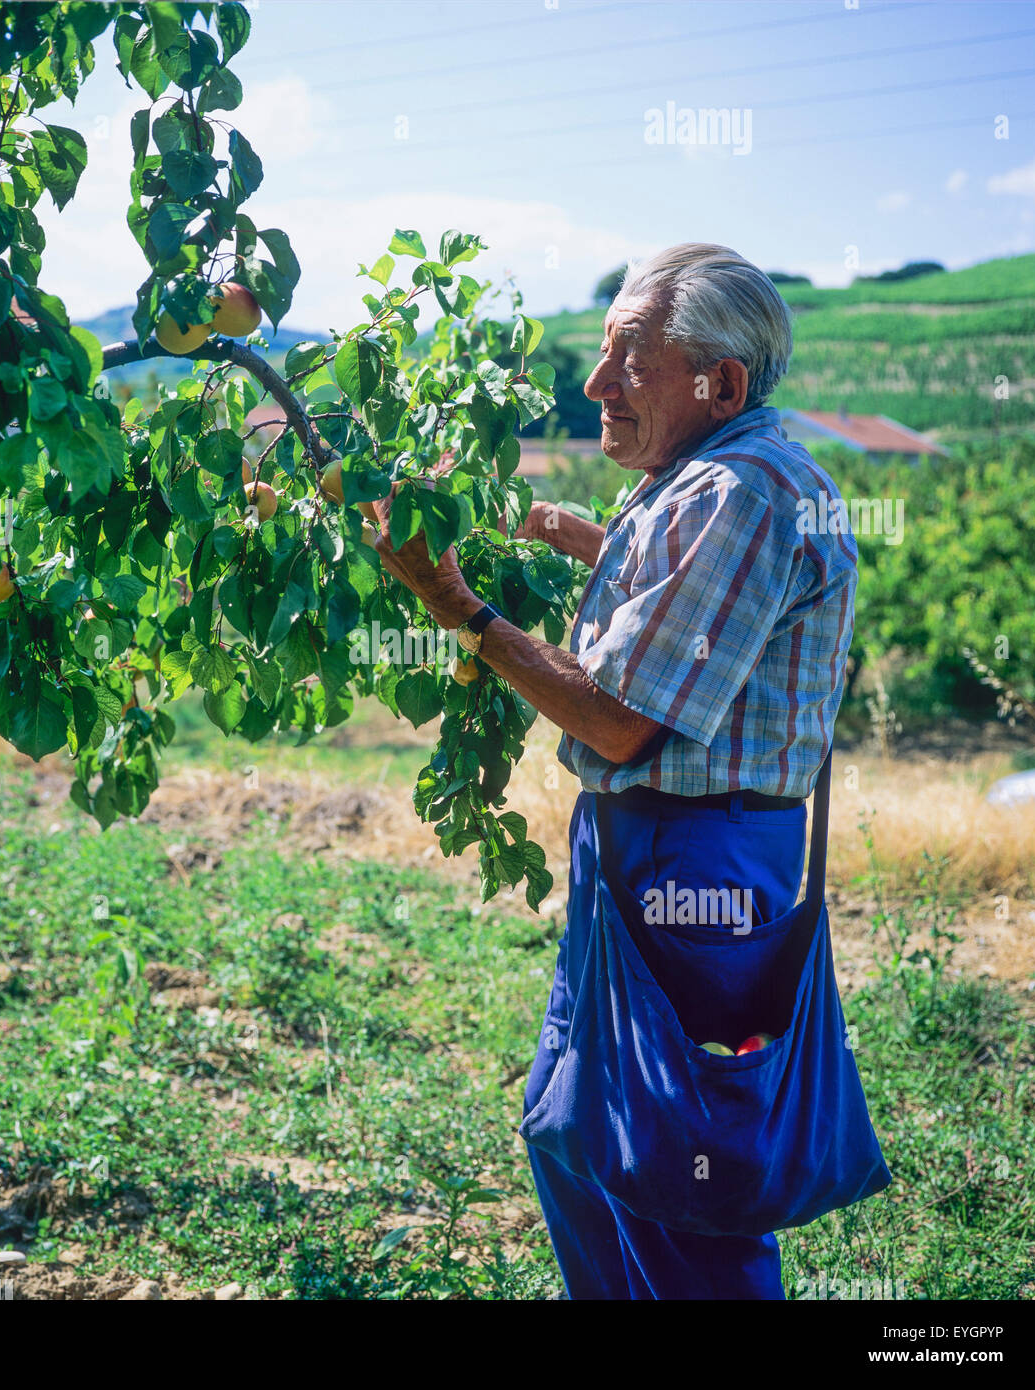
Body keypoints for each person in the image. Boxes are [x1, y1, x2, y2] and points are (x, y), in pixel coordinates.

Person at [367, 242, 858, 1299]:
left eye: (629, 359)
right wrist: (572, 535)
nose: (595, 386)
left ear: (717, 383)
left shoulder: (738, 493)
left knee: (682, 1175)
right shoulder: (714, 478)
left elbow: (625, 718)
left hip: (701, 861)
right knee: (577, 1128)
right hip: (656, 850)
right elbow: (694, 605)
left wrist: (456, 606)